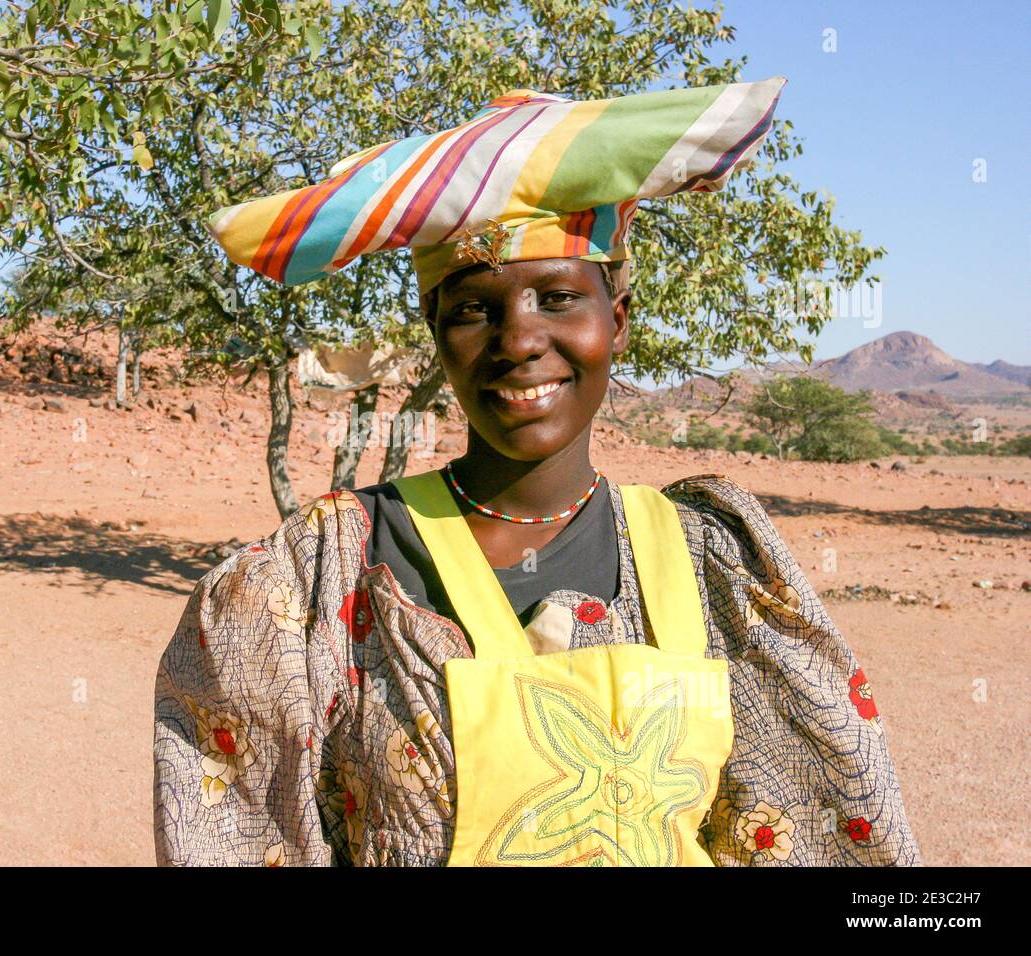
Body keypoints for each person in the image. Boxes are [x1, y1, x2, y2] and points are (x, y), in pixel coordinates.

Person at [153, 77, 920, 866]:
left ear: (615, 322)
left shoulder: (710, 564)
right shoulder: (323, 576)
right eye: (474, 308)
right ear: (438, 336)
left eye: (557, 298)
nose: (519, 339)